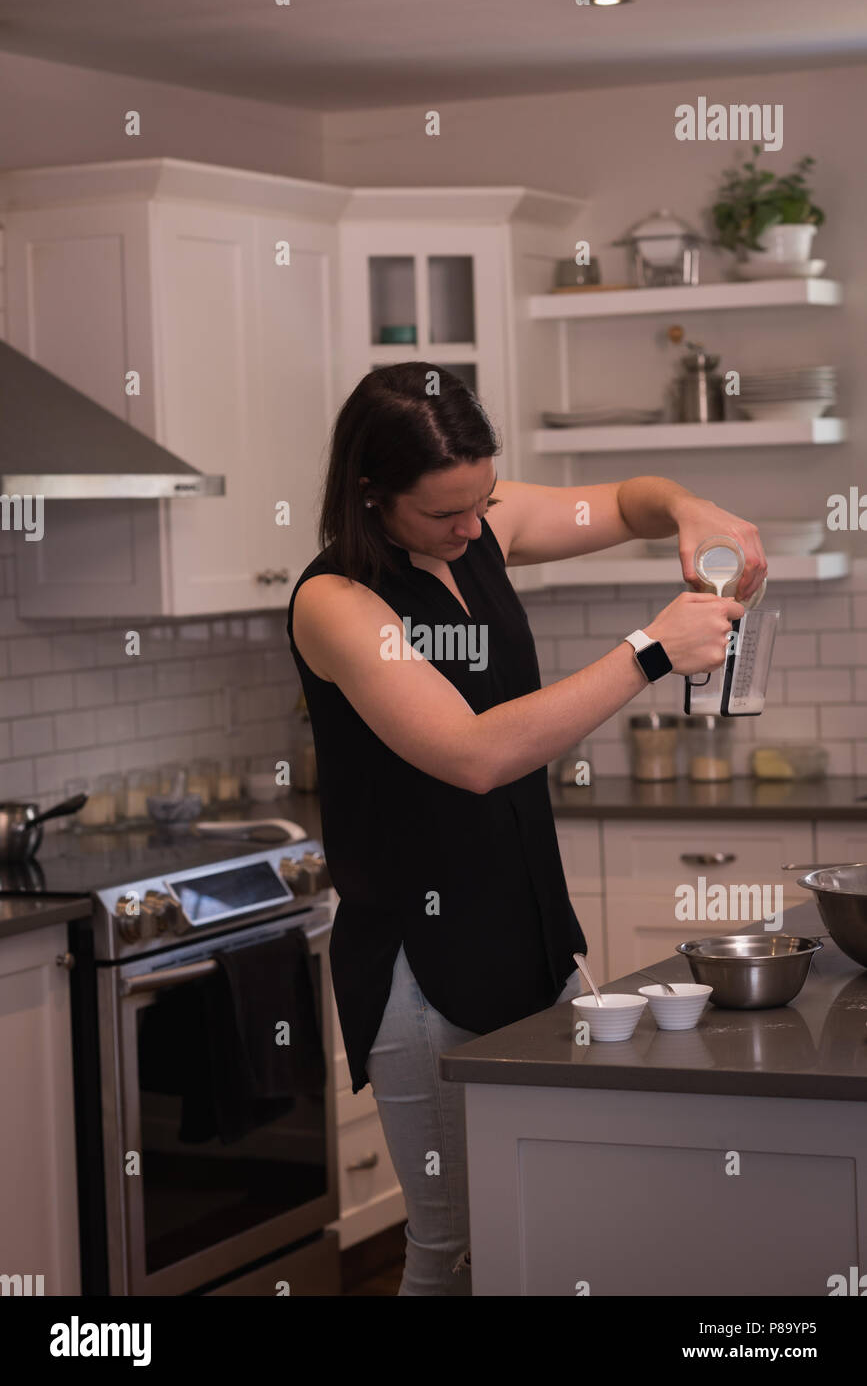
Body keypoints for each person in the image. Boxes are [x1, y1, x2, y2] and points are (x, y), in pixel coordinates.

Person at [287, 363, 766, 1296]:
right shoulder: (338, 603)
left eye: (482, 501)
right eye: (445, 514)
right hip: (421, 965)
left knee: (548, 1219)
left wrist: (688, 507)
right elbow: (472, 754)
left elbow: (627, 502)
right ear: (370, 494)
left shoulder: (482, 529)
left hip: (529, 935)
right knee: (455, 1250)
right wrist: (649, 652)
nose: (473, 529)